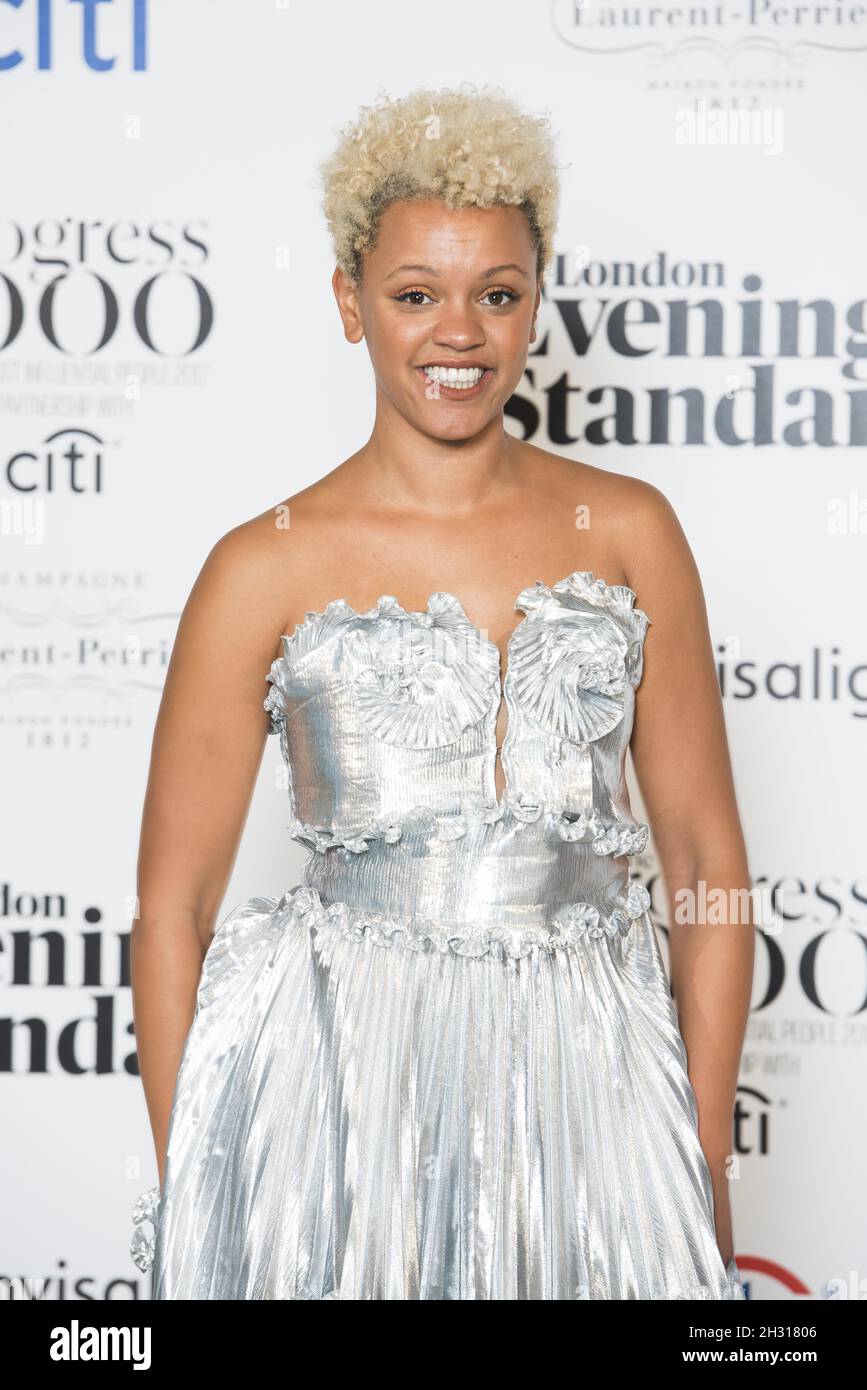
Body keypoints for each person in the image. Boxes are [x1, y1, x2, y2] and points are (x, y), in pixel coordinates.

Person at [129, 83, 755, 1300]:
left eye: (497, 294)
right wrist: (194, 1177)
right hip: (335, 1110)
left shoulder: (632, 530)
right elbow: (170, 908)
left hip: (596, 1100)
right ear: (349, 301)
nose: (457, 333)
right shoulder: (262, 564)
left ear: (536, 303)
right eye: (416, 294)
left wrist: (705, 1151)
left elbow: (705, 861)